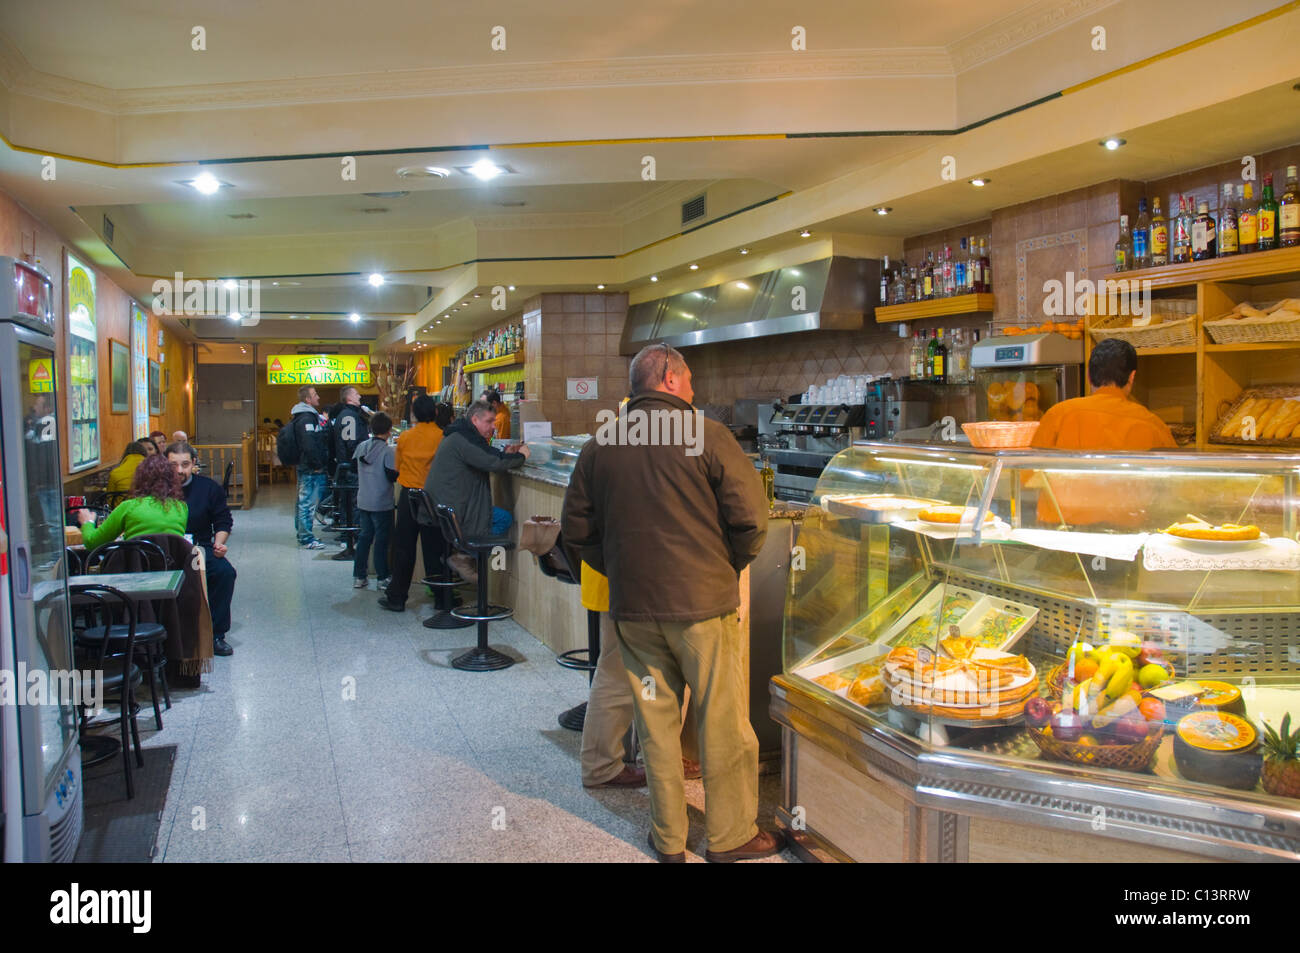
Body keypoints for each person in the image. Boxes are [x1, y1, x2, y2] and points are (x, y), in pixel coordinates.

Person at [561, 342, 777, 863]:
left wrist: (620, 570)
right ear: (673, 380)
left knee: (655, 726)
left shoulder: (601, 443)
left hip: (634, 611)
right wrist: (725, 567)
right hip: (704, 610)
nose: (695, 390)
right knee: (722, 724)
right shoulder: (709, 435)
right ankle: (729, 837)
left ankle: (669, 839)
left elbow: (577, 531)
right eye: (692, 380)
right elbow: (752, 521)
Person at [1030, 338, 1176, 526]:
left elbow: (1028, 476)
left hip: (1059, 529)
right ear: (1132, 377)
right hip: (1125, 532)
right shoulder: (1153, 424)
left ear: (1089, 376)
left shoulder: (1058, 414)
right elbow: (1172, 487)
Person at [425, 400, 528, 582]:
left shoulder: (459, 435)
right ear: (474, 420)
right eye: (489, 421)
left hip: (446, 509)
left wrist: (507, 453)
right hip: (457, 511)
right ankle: (466, 556)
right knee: (504, 519)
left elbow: (487, 455)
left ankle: (466, 556)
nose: (493, 426)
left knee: (498, 518)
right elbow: (493, 462)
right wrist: (521, 456)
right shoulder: (464, 440)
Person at [166, 441, 237, 657]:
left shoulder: (208, 488)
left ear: (194, 463)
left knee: (225, 573)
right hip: (166, 549)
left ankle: (215, 634)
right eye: (173, 465)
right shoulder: (159, 490)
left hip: (200, 547)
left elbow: (223, 521)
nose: (179, 470)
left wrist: (220, 542)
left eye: (185, 464)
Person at [378, 396, 448, 612]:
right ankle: (441, 597)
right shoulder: (443, 436)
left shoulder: (406, 437)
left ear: (414, 414)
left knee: (404, 548)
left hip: (409, 496)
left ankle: (397, 597)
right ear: (435, 413)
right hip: (433, 496)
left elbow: (398, 467)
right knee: (434, 548)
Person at [76, 454, 188, 548]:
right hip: (173, 571)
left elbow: (92, 543)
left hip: (137, 570)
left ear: (140, 479)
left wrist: (87, 522)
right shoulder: (181, 507)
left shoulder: (128, 507)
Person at [352, 412, 397, 589]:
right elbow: (393, 475)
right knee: (381, 541)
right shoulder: (387, 451)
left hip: (363, 499)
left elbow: (355, 470)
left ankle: (359, 576)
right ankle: (382, 577)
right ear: (388, 431)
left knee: (364, 538)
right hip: (381, 502)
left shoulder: (362, 447)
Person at [330, 386, 370, 561]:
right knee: (353, 504)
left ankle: (348, 538)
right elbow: (352, 444)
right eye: (356, 394)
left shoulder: (347, 415)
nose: (360, 396)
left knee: (349, 503)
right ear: (348, 398)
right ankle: (352, 540)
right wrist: (363, 459)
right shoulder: (350, 417)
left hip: (345, 468)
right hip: (352, 469)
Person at [289, 385, 331, 549]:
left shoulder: (303, 416)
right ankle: (306, 538)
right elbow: (309, 444)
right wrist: (317, 465)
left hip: (305, 465)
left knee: (303, 502)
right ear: (307, 399)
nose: (318, 397)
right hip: (310, 468)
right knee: (307, 503)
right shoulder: (307, 418)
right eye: (315, 394)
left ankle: (302, 533)